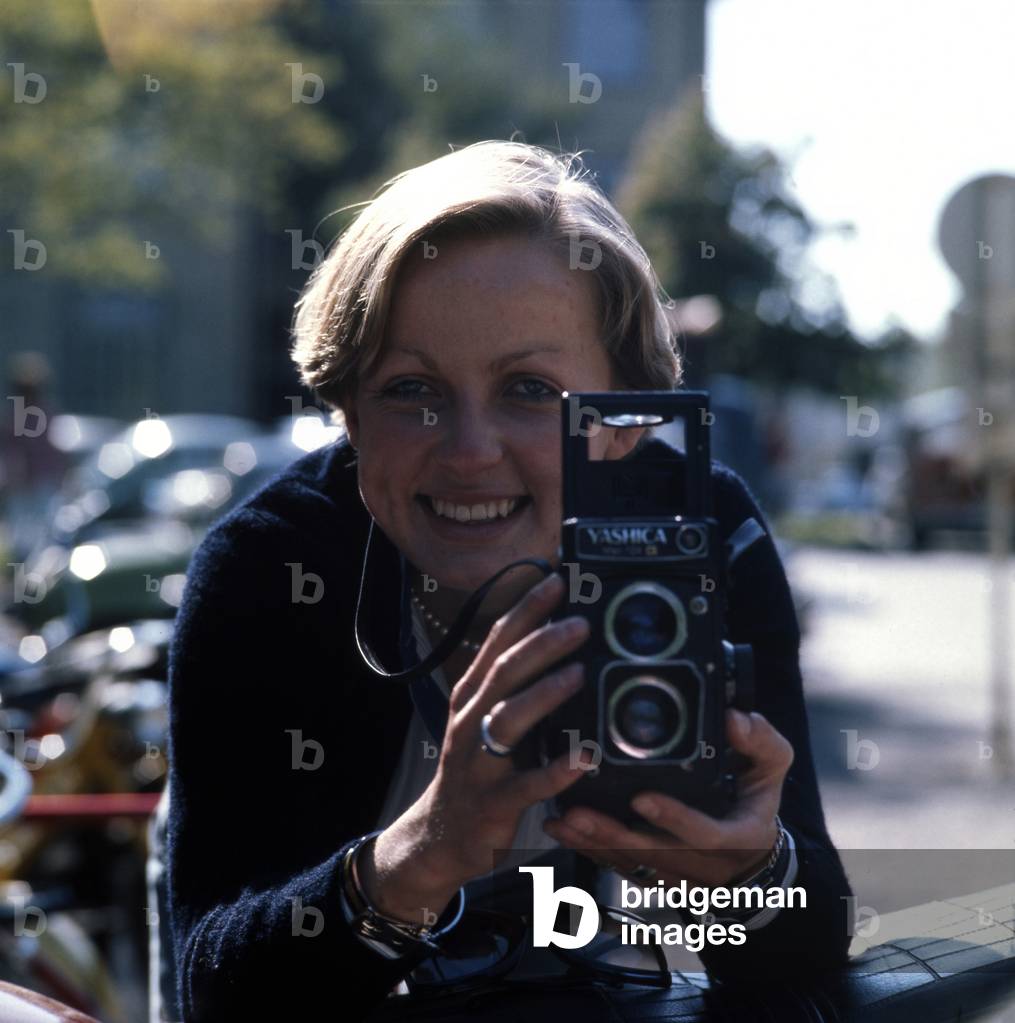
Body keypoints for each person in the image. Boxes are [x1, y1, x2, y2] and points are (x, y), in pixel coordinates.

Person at [164, 141, 852, 1021]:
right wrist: (422, 854)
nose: (467, 451)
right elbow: (215, 992)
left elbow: (808, 942)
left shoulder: (704, 534)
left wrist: (751, 880)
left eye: (528, 387)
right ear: (348, 411)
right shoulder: (271, 567)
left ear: (624, 419)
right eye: (412, 389)